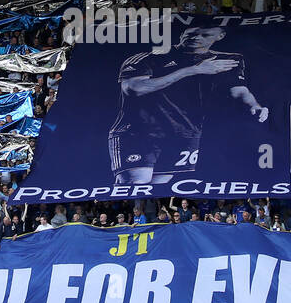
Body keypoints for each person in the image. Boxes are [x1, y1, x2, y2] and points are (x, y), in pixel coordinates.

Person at [109, 25, 268, 186]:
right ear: (182, 34)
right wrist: (192, 70)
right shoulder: (149, 57)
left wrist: (253, 105)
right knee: (137, 181)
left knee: (159, 186)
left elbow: (239, 90)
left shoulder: (228, 60)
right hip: (140, 131)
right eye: (191, 34)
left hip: (184, 133)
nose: (196, 37)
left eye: (205, 34)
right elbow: (135, 89)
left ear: (220, 36)